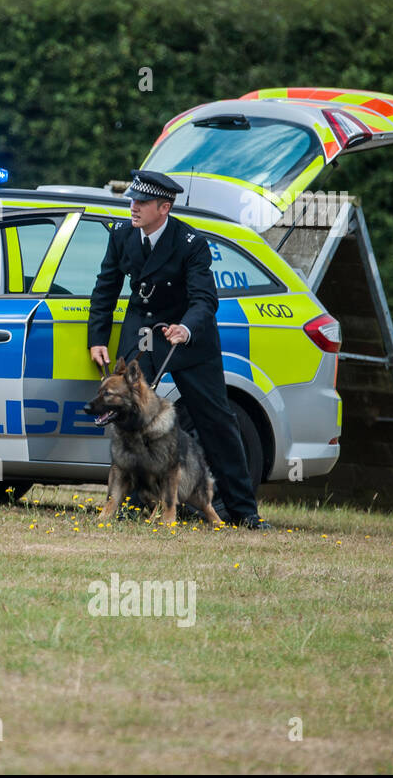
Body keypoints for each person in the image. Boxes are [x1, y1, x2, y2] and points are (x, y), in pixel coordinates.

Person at [87, 169, 272, 530]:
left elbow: (205, 298)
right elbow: (105, 287)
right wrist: (97, 337)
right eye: (133, 201)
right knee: (130, 417)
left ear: (164, 207)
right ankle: (136, 502)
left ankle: (244, 511)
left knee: (217, 421)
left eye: (142, 202)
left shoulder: (191, 242)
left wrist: (185, 328)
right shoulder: (123, 235)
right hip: (143, 329)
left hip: (188, 336)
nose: (133, 207)